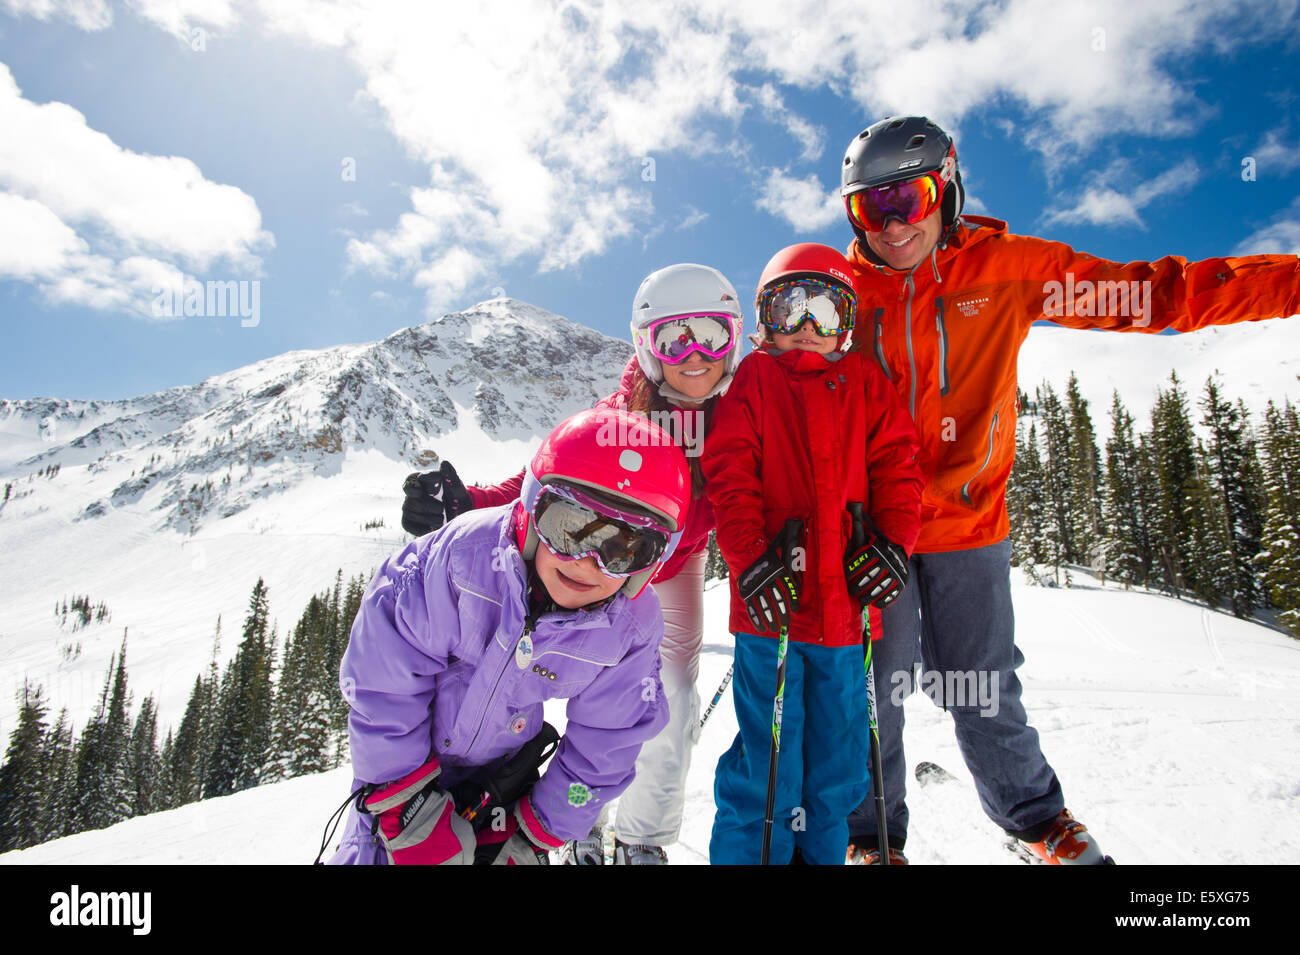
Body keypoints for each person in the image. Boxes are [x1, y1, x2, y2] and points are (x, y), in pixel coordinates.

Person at [838, 115, 1300, 864]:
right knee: (869, 690)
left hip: (970, 525)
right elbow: (765, 381)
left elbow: (1158, 295)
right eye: (870, 208)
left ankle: (1033, 817)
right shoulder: (838, 289)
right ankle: (871, 836)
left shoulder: (1006, 269)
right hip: (873, 533)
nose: (893, 226)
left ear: (948, 189)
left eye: (910, 199)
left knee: (980, 686)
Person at [399, 264, 745, 864]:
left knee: (669, 695)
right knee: (585, 697)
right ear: (647, 345)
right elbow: (555, 476)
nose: (695, 354)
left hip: (674, 563)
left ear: (733, 340)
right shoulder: (624, 413)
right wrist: (470, 503)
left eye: (711, 335)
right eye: (674, 338)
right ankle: (581, 819)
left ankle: (642, 837)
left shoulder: (739, 413)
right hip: (600, 561)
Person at [327, 408, 690, 865]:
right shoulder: (463, 562)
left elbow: (607, 741)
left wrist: (538, 831)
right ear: (533, 512)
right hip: (399, 774)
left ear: (650, 562)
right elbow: (385, 674)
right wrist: (405, 807)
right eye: (568, 528)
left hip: (499, 788)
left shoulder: (627, 629)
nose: (586, 562)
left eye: (621, 549)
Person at [702, 243, 923, 865]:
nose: (806, 328)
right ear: (765, 321)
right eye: (789, 309)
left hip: (849, 617)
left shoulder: (866, 383)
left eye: (824, 312)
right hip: (771, 609)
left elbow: (899, 469)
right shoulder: (757, 378)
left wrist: (892, 545)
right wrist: (750, 559)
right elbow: (730, 472)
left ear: (845, 324)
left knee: (837, 764)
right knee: (766, 761)